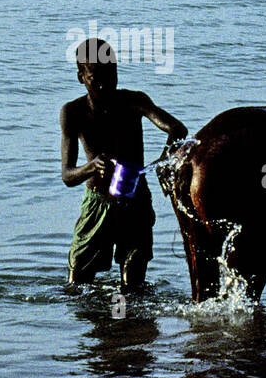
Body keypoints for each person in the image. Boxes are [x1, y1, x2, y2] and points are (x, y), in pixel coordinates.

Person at [60, 38, 187, 291]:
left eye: (112, 72)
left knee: (134, 287)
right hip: (97, 204)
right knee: (76, 287)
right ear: (80, 77)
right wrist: (91, 167)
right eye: (96, 76)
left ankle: (130, 327)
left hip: (135, 202)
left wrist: (163, 160)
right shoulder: (73, 112)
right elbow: (67, 175)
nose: (106, 82)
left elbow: (177, 129)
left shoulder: (133, 102)